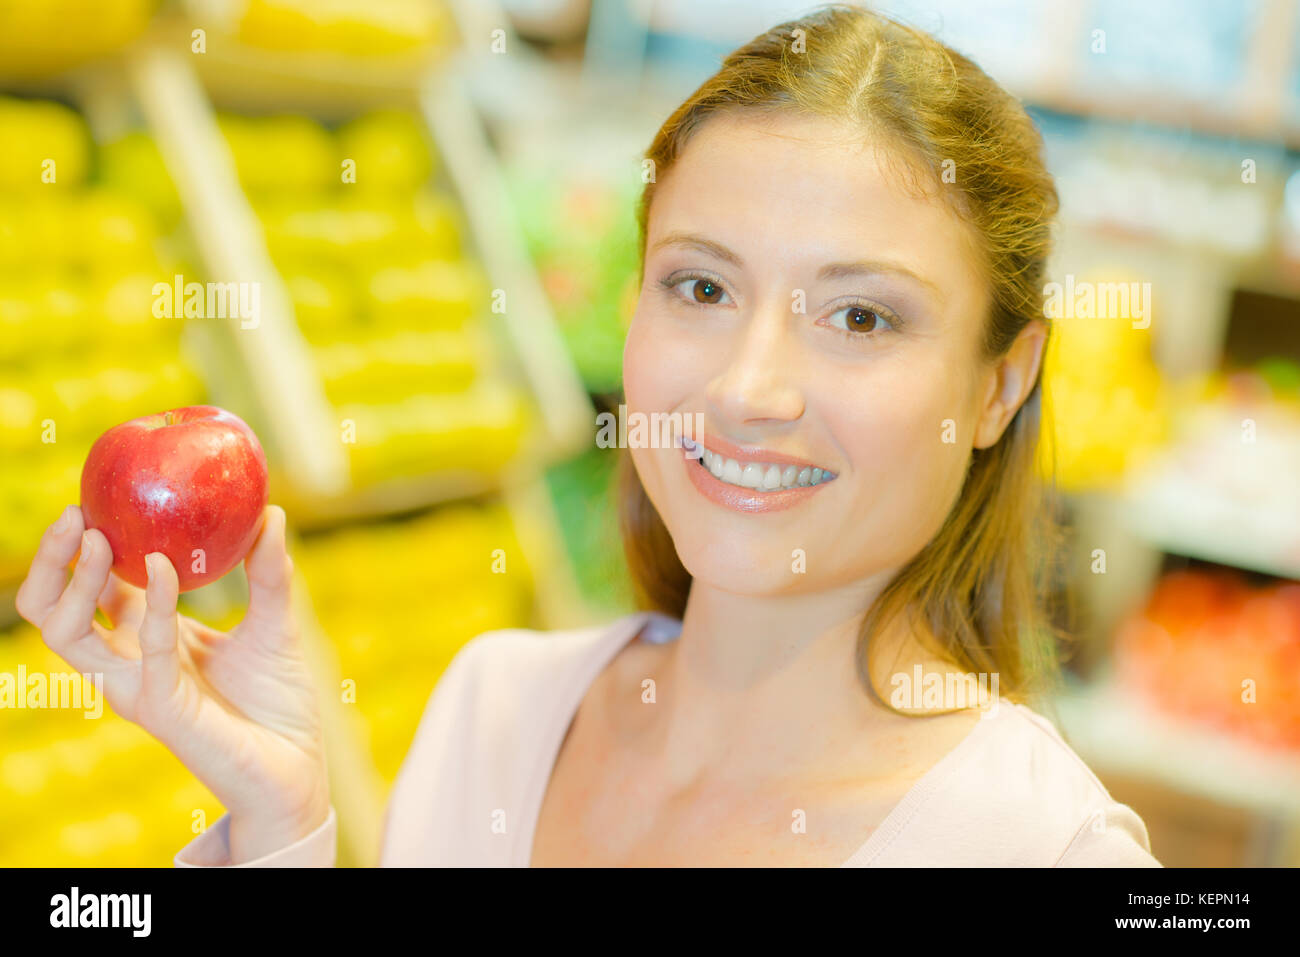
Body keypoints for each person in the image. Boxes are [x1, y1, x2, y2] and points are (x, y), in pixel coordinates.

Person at [15, 4, 1160, 867]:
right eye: (701, 289)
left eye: (859, 316)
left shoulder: (1045, 851)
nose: (747, 386)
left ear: (1001, 385)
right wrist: (279, 819)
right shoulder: (493, 708)